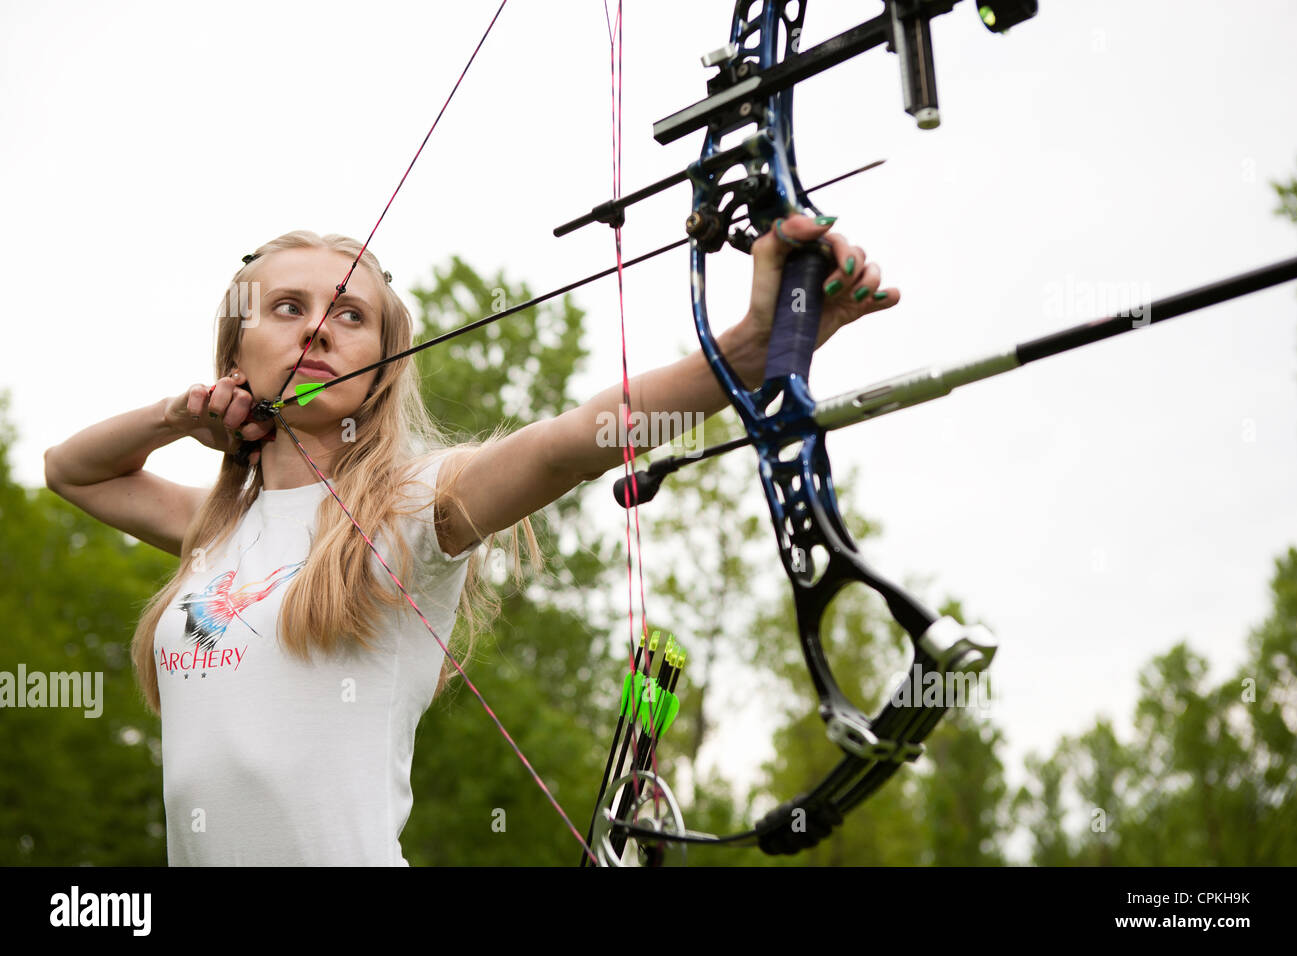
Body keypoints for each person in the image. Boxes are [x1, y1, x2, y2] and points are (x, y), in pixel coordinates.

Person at [42, 214, 898, 865]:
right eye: (287, 309)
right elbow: (69, 470)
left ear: (382, 364)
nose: (316, 329)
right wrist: (178, 416)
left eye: (349, 317)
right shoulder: (213, 528)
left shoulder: (415, 505)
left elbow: (567, 440)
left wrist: (748, 350)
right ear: (238, 349)